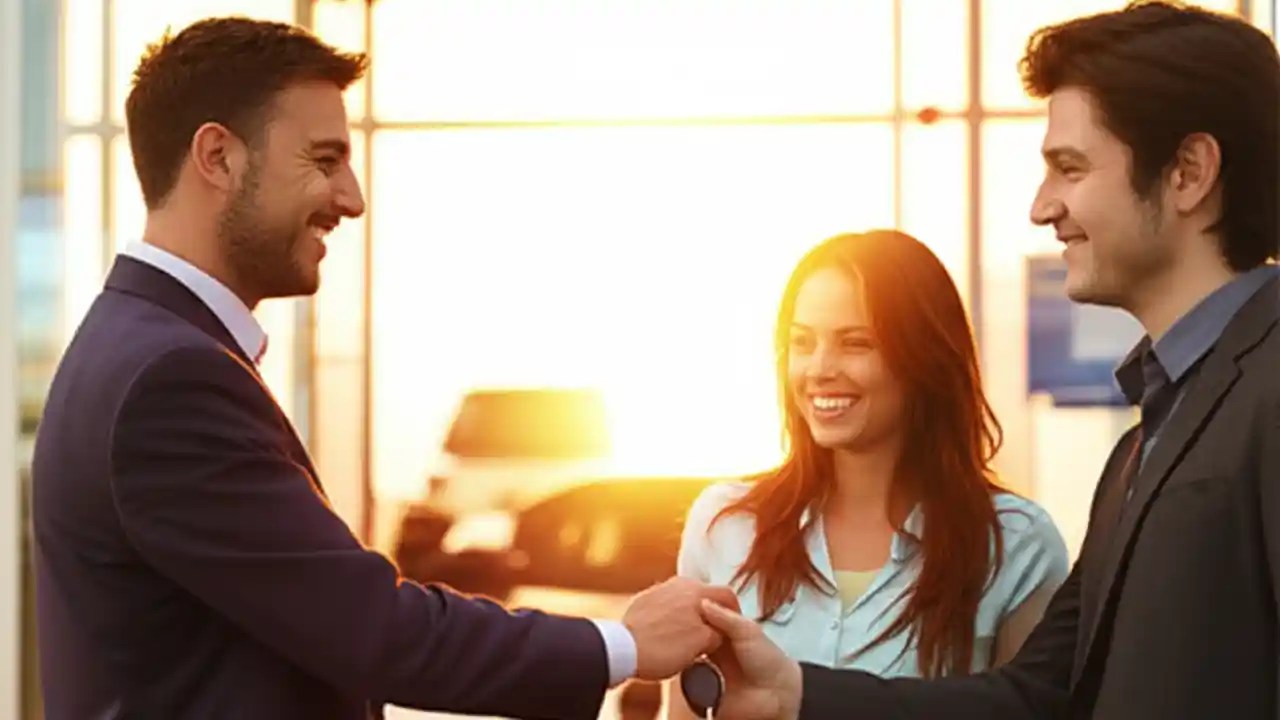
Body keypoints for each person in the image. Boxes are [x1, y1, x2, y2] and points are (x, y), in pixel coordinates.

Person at [29, 17, 736, 720]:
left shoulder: (135, 347)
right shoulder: (170, 378)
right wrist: (623, 645)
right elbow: (370, 628)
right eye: (324, 158)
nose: (352, 198)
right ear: (217, 157)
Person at [689, 3, 1280, 719]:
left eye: (1070, 168)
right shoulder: (1144, 444)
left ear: (1187, 173)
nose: (1041, 206)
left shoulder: (1264, 391)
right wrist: (796, 693)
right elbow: (1036, 698)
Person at [666, 231, 1069, 718]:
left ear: (924, 357)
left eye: (855, 343)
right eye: (802, 342)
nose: (819, 368)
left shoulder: (1016, 545)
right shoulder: (724, 525)